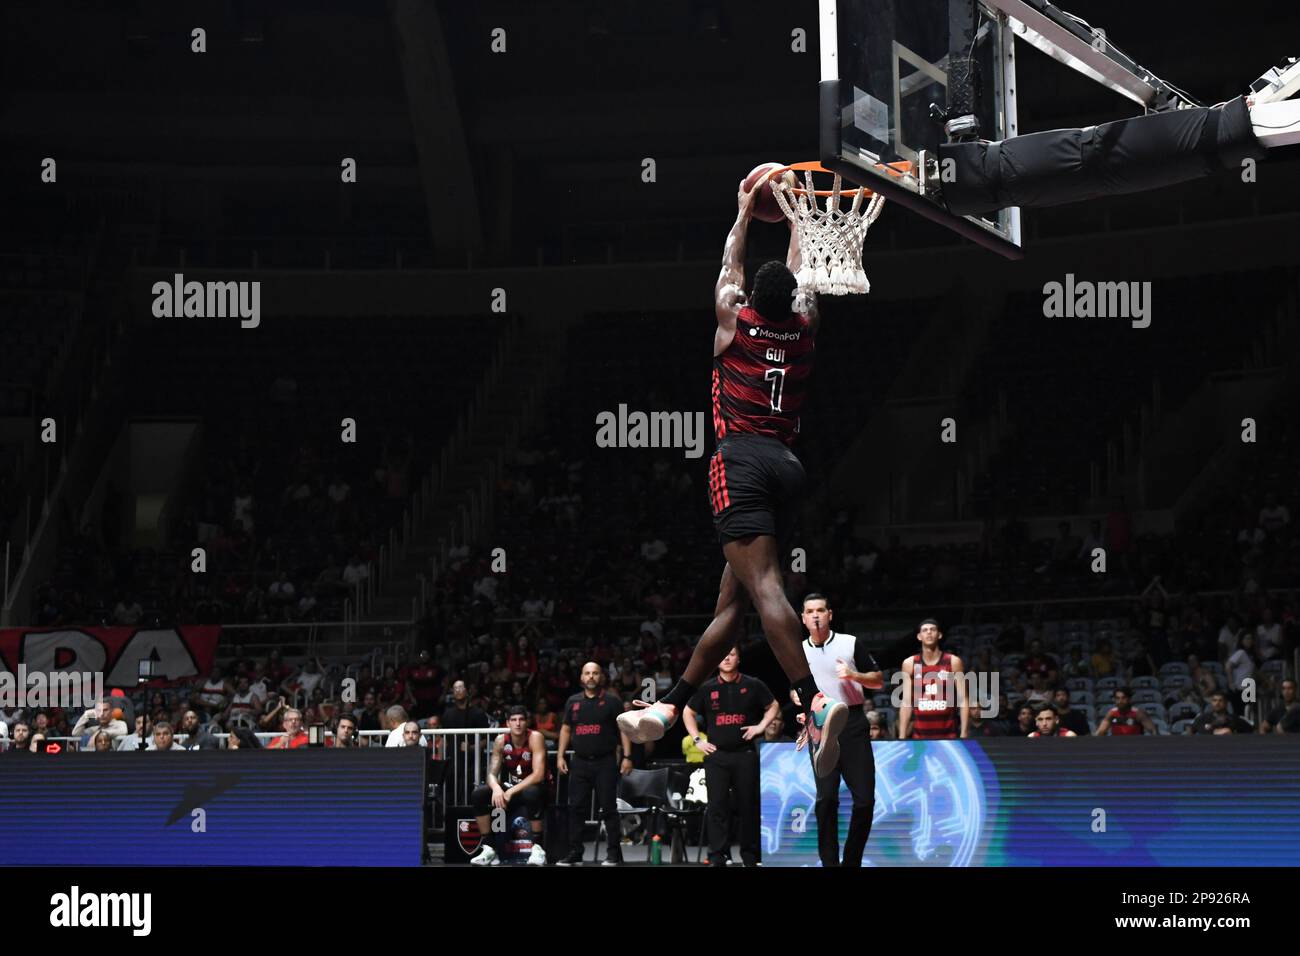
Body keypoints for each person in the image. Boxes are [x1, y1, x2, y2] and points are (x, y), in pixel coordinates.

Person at [618, 179, 848, 777]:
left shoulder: (733, 321)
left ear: (749, 296)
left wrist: (746, 209)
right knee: (734, 600)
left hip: (740, 461)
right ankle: (670, 709)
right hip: (787, 466)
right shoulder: (806, 327)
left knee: (765, 589)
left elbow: (729, 264)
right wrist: (798, 216)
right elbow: (799, 273)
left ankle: (813, 701)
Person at [796, 594, 883, 868]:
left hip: (853, 724)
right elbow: (794, 687)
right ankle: (830, 863)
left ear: (830, 614)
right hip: (820, 726)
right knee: (826, 800)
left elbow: (878, 680)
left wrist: (854, 675)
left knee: (865, 801)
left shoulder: (850, 643)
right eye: (810, 611)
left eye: (821, 610)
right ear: (803, 618)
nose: (816, 615)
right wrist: (801, 703)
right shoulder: (797, 651)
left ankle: (852, 862)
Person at [681, 645, 778, 867]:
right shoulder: (707, 688)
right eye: (723, 655)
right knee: (717, 807)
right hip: (717, 756)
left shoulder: (752, 684)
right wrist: (698, 740)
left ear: (738, 659)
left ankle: (751, 857)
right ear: (716, 661)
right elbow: (688, 711)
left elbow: (773, 705)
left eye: (732, 654)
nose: (727, 658)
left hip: (745, 755)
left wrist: (761, 726)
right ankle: (718, 855)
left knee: (748, 807)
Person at [556, 662, 632, 866]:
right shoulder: (573, 701)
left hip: (605, 762)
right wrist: (560, 756)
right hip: (579, 763)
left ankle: (614, 854)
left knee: (609, 809)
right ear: (581, 677)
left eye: (595, 673)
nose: (591, 677)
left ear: (601, 677)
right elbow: (565, 729)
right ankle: (575, 852)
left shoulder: (612, 701)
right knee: (576, 808)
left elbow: (623, 729)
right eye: (587, 673)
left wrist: (627, 756)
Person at [467, 706, 549, 867]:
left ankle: (538, 848)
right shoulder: (501, 740)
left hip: (537, 787)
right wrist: (497, 788)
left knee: (531, 793)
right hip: (512, 787)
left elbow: (538, 775)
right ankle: (490, 849)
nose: (517, 723)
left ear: (527, 722)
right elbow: (491, 773)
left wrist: (510, 791)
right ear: (508, 723)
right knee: (479, 794)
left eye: (521, 719)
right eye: (513, 720)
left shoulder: (535, 737)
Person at [899, 619, 968, 739]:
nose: (929, 632)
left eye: (933, 629)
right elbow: (906, 703)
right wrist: (901, 736)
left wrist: (964, 733)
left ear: (939, 635)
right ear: (919, 636)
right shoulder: (909, 663)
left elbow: (964, 700)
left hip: (949, 736)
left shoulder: (953, 661)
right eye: (925, 630)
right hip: (920, 737)